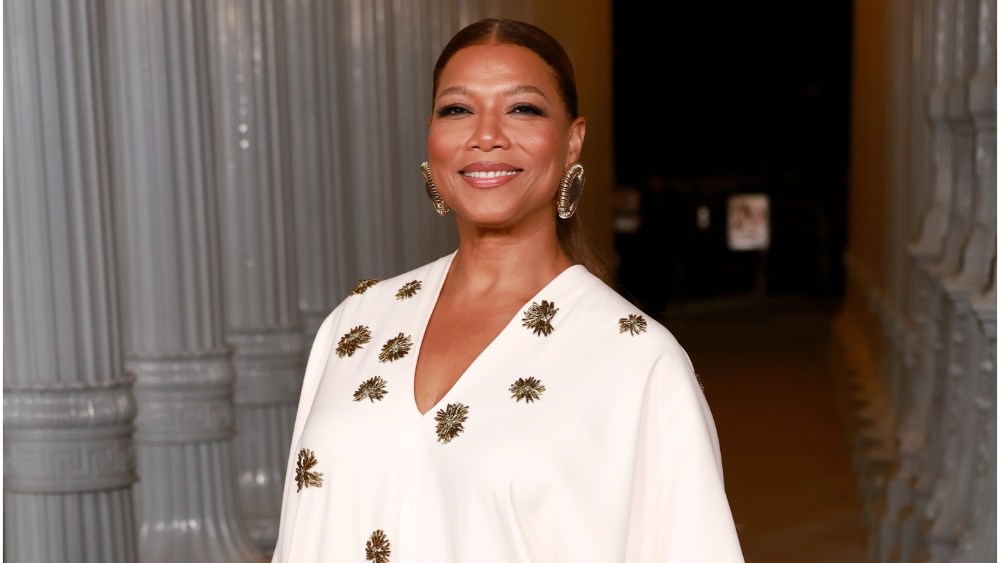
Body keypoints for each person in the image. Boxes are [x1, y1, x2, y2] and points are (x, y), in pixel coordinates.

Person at [271, 18, 744, 562]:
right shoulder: (357, 322)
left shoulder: (638, 361)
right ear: (431, 137)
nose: (486, 135)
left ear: (572, 140)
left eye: (522, 108)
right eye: (457, 109)